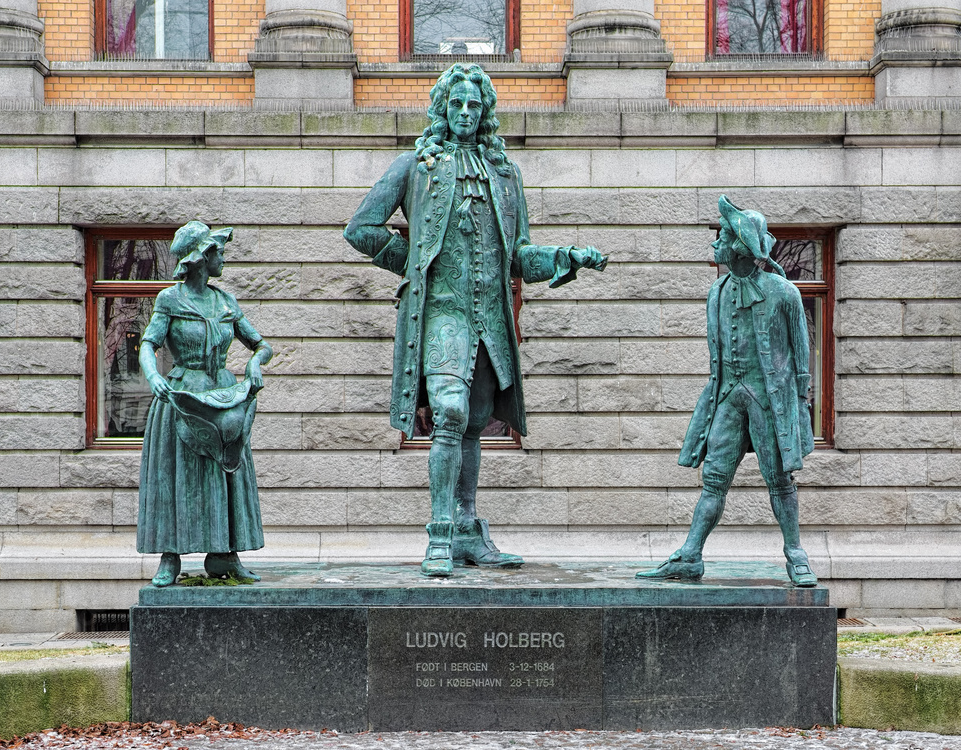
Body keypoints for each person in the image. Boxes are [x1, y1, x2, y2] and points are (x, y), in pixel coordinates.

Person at [344, 63, 606, 577]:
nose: (465, 112)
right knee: (449, 411)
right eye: (456, 104)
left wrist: (566, 257)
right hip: (442, 315)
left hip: (489, 320)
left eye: (474, 105)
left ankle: (466, 529)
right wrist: (413, 262)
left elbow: (518, 257)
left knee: (475, 423)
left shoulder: (506, 177)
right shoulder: (415, 166)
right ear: (442, 109)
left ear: (484, 112)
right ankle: (439, 534)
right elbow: (361, 229)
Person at [637, 195, 817, 587]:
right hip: (728, 397)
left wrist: (800, 406)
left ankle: (796, 554)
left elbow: (802, 357)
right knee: (714, 479)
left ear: (740, 245)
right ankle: (690, 555)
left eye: (721, 237)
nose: (715, 244)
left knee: (780, 480)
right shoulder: (716, 292)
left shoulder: (783, 293)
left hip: (769, 401)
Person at [136, 221, 273, 587]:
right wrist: (153, 376)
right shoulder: (170, 299)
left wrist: (254, 364)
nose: (223, 258)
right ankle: (170, 556)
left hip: (224, 396)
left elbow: (261, 345)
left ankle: (224, 555)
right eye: (218, 252)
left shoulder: (226, 301)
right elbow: (148, 344)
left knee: (226, 472)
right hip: (182, 397)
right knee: (175, 476)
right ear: (200, 258)